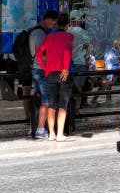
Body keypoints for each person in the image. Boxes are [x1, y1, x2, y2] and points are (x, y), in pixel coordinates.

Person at [35, 12, 74, 141]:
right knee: (63, 104)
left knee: (52, 104)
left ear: (57, 23)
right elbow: (67, 51)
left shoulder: (49, 37)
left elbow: (39, 53)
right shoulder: (69, 36)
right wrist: (66, 68)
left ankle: (51, 133)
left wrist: (45, 67)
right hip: (63, 73)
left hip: (50, 73)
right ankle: (60, 134)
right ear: (68, 24)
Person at [29, 10, 59, 139]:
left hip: (35, 70)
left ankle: (34, 128)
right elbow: (41, 54)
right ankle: (41, 129)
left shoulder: (34, 31)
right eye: (53, 22)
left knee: (37, 100)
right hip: (41, 70)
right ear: (47, 19)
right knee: (45, 101)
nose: (53, 25)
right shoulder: (40, 33)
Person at [67, 9, 92, 107]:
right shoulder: (83, 32)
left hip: (68, 63)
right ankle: (76, 109)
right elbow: (87, 47)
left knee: (68, 87)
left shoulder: (66, 31)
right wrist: (86, 60)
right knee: (78, 88)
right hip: (81, 63)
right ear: (79, 20)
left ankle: (69, 109)